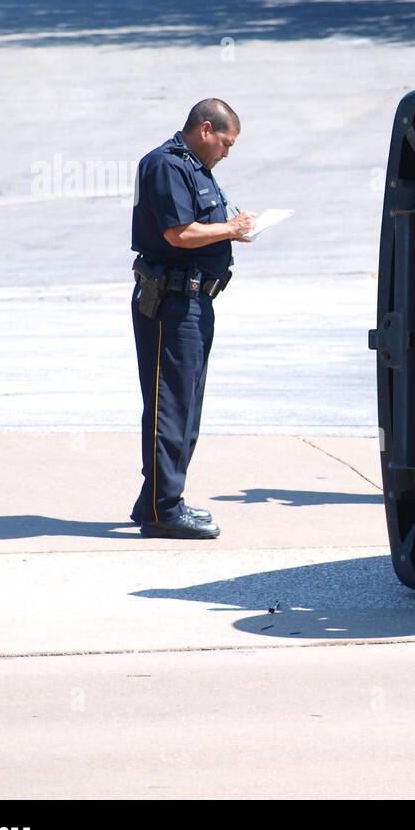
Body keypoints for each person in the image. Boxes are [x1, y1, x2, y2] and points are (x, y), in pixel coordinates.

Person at [129, 99, 256, 538]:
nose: (226, 152)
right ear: (205, 129)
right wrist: (233, 229)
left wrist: (235, 228)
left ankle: (154, 502)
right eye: (226, 142)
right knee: (171, 406)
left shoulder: (196, 170)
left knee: (186, 407)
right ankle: (166, 510)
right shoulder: (166, 166)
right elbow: (178, 234)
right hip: (170, 302)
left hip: (196, 300)